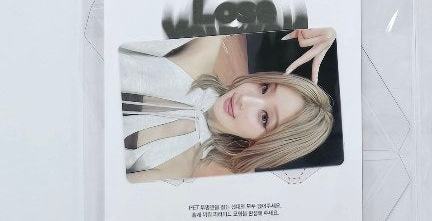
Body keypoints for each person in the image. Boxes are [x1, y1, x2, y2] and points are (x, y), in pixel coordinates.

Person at [121, 28, 337, 182]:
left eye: (264, 118)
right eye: (264, 88)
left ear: (260, 145)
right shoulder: (206, 43)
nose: (246, 100)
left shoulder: (176, 166)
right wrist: (327, 23)